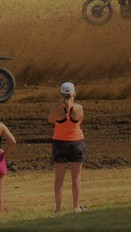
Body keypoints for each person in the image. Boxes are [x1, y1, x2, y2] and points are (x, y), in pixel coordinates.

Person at [49, 81, 86, 213]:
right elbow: (80, 121)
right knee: (76, 177)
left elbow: (50, 120)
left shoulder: (56, 107)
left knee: (59, 178)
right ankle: (76, 207)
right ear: (73, 93)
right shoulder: (79, 107)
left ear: (61, 93)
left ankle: (58, 209)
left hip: (60, 142)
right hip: (77, 141)